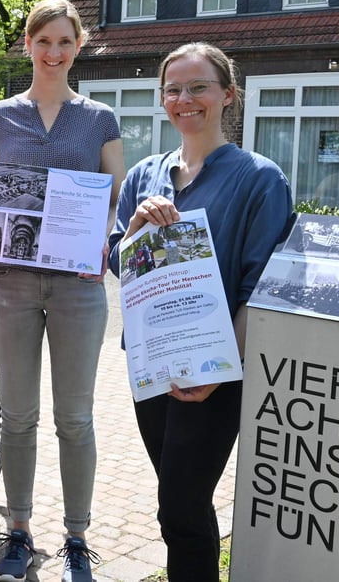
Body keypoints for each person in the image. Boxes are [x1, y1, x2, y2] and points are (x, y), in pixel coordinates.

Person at [107, 42, 293, 581]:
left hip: (216, 371)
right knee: (180, 505)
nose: (184, 99)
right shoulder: (144, 176)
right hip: (151, 367)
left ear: (227, 95)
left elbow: (262, 286)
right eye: (173, 89)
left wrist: (219, 371)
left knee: (181, 506)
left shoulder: (260, 179)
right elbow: (122, 266)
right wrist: (138, 230)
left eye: (198, 87)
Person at [0, 0, 124, 582]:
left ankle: (76, 536)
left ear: (78, 46)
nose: (54, 52)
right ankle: (18, 530)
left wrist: (83, 209)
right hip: (11, 284)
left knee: (76, 418)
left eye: (65, 42)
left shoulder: (99, 118)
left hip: (77, 286)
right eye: (44, 41)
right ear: (27, 44)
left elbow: (115, 196)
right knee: (16, 416)